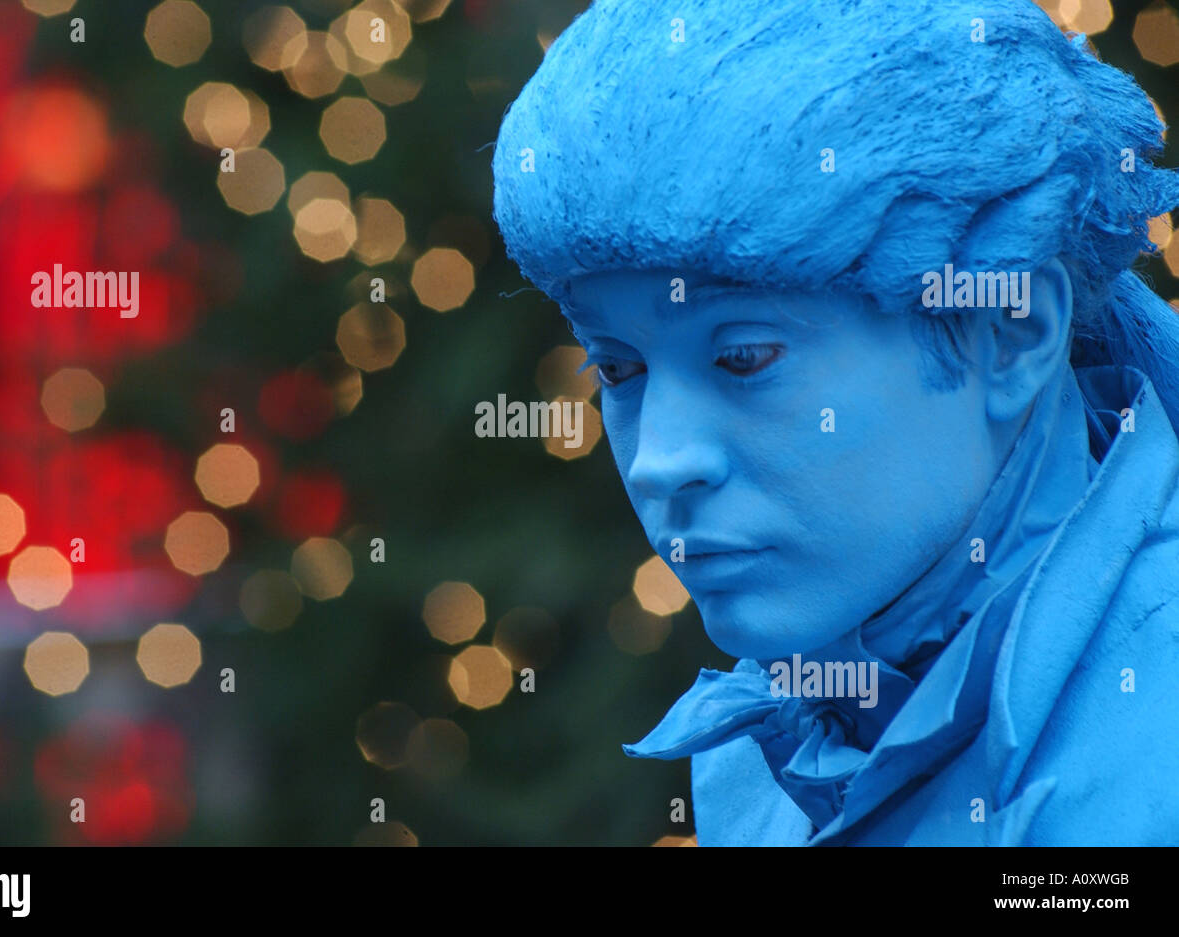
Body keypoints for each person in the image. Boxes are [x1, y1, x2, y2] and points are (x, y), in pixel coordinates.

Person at [491, 0, 1179, 845]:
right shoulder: (779, 731)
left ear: (1009, 333)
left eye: (744, 358)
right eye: (620, 368)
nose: (659, 462)